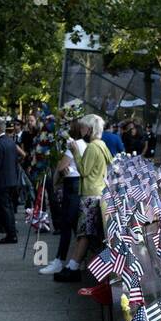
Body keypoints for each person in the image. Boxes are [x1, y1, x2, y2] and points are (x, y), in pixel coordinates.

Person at [55, 113, 111, 284]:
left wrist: (75, 152)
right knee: (85, 233)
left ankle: (73, 267)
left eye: (84, 127)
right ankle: (74, 266)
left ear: (91, 129)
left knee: (84, 232)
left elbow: (83, 171)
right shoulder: (102, 145)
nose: (82, 130)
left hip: (89, 193)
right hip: (98, 190)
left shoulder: (93, 147)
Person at [40, 118, 84, 277]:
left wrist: (57, 179)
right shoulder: (85, 145)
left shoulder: (74, 146)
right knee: (72, 224)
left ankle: (60, 260)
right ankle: (71, 260)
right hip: (78, 183)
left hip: (72, 184)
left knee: (67, 223)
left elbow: (61, 167)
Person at [0, 117, 21, 243]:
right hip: (11, 179)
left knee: (5, 208)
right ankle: (12, 231)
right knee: (9, 207)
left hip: (1, 181)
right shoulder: (10, 141)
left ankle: (11, 234)